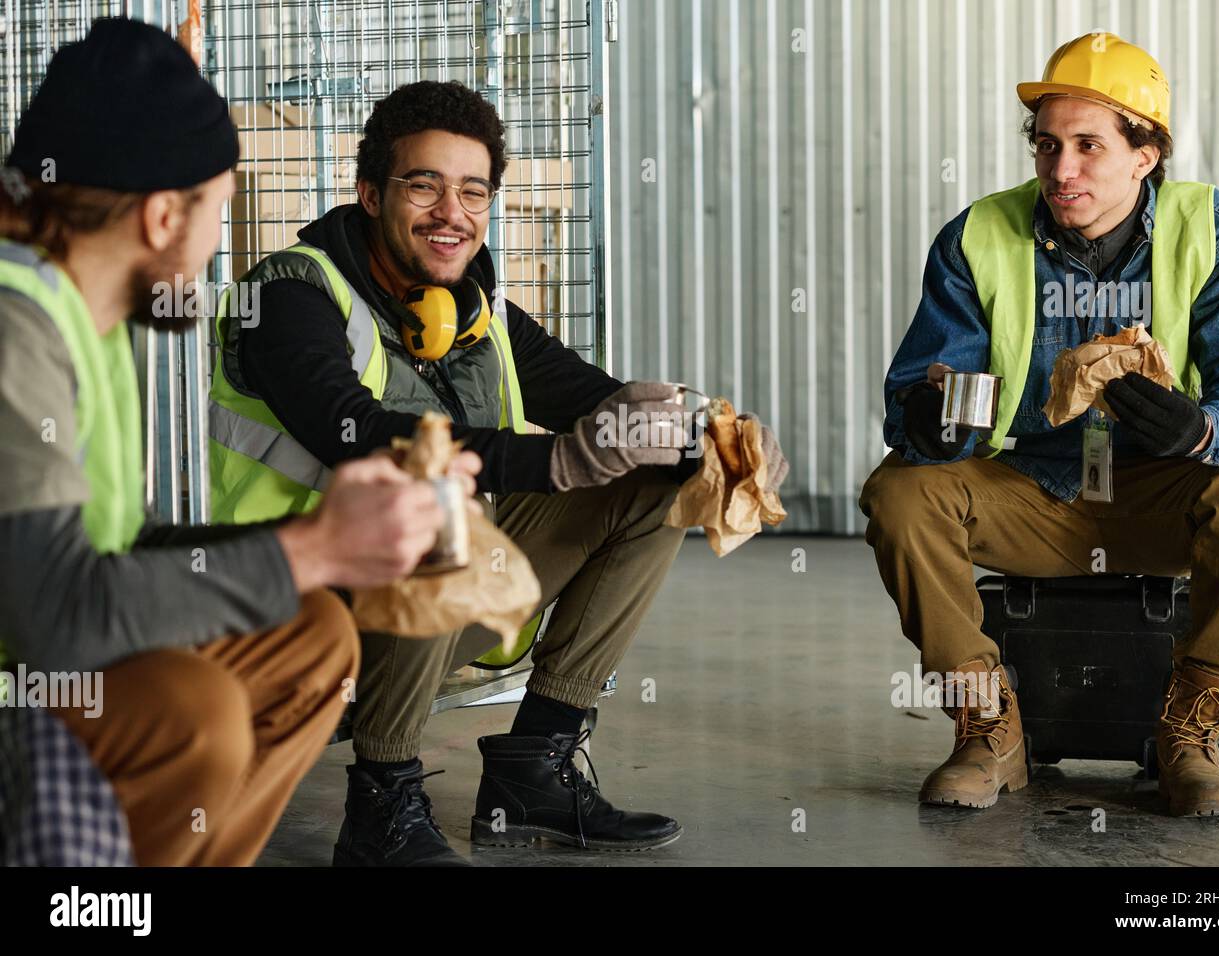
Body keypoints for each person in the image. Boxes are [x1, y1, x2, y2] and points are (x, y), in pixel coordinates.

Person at [209, 79, 790, 864]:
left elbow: (596, 398)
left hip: (432, 605)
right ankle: (381, 802)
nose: (453, 213)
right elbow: (359, 434)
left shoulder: (476, 309)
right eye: (425, 185)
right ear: (370, 192)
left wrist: (716, 438)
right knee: (419, 501)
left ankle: (535, 771)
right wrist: (558, 459)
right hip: (293, 609)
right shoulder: (290, 296)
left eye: (473, 191)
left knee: (651, 483)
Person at [0, 17, 476, 865]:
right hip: (29, 675)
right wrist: (309, 547)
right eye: (222, 210)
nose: (219, 249)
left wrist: (330, 552)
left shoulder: (90, 317)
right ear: (158, 216)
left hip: (43, 654)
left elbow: (116, 548)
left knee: (314, 638)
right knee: (191, 710)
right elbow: (57, 621)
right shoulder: (15, 328)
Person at [859, 32, 1219, 817]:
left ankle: (1190, 730)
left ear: (1147, 154)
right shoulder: (978, 236)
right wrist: (928, 422)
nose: (1061, 171)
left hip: (1158, 497)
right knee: (901, 492)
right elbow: (917, 396)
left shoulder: (1217, 232)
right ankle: (987, 726)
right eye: (1048, 145)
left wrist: (1199, 431)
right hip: (1028, 489)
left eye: (1089, 146)